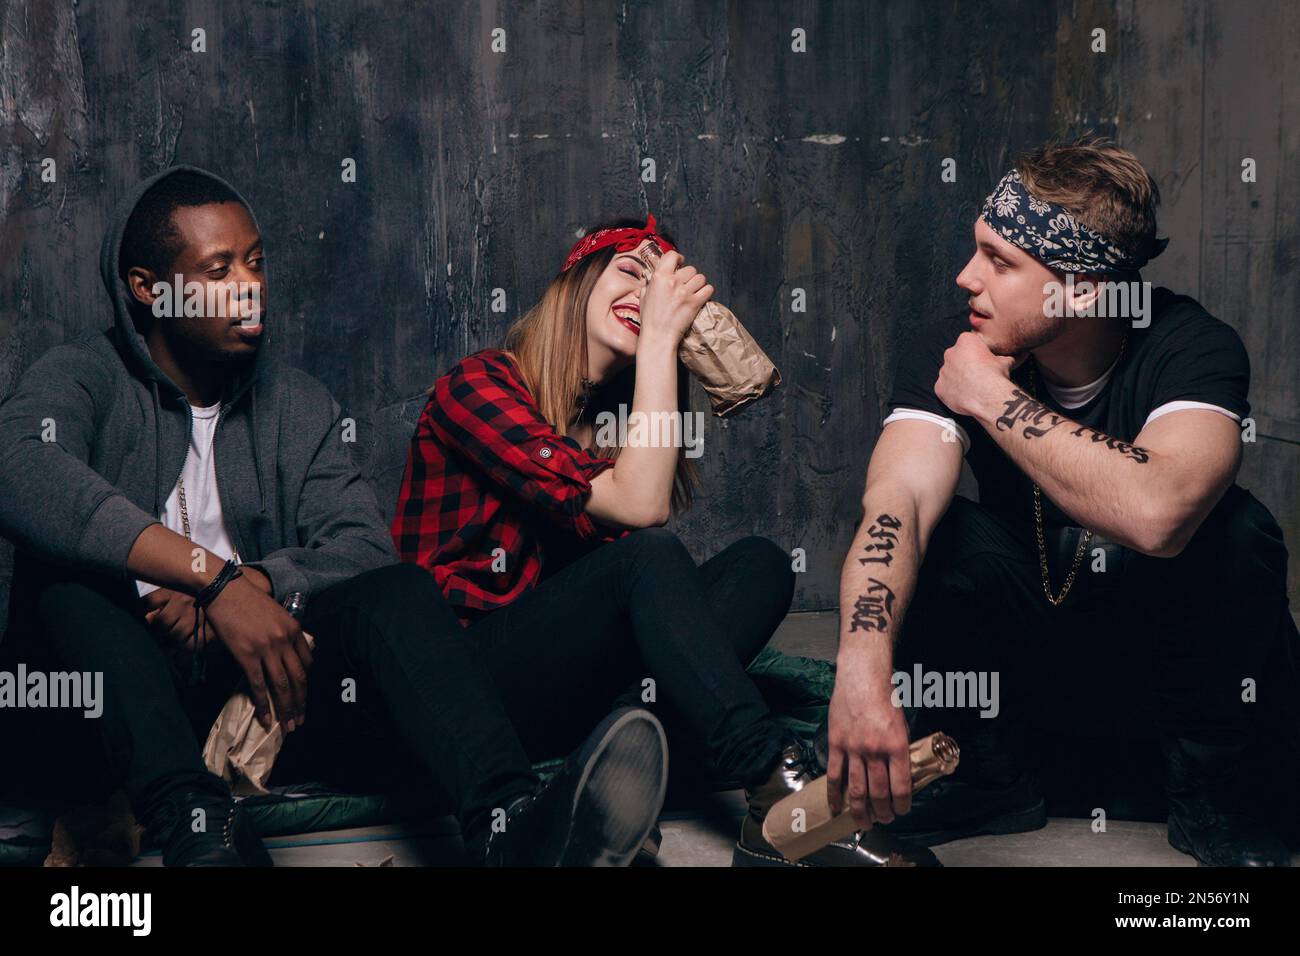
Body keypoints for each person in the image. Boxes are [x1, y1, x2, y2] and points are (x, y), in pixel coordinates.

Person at [0, 167, 669, 867]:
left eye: (256, 263)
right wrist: (209, 580)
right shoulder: (83, 375)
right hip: (104, 712)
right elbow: (18, 470)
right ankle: (197, 830)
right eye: (219, 269)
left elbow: (362, 549)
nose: (250, 287)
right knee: (66, 587)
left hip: (259, 703)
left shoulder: (296, 402)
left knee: (400, 591)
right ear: (147, 288)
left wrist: (255, 585)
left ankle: (513, 825)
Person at [391, 214, 939, 867]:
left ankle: (620, 755)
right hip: (470, 686)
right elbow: (641, 510)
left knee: (760, 567)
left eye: (660, 294)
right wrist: (656, 340)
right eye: (630, 272)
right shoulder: (477, 384)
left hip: (576, 691)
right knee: (647, 559)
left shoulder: (613, 425)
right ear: (576, 281)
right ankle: (775, 787)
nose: (646, 297)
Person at [826, 137, 1298, 866]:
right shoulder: (957, 344)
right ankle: (989, 778)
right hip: (1039, 669)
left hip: (1165, 675)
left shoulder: (1191, 347)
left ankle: (1211, 802)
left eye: (1001, 261)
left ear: (1080, 288)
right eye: (976, 249)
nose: (966, 278)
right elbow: (899, 504)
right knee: (942, 533)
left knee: (1239, 532)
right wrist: (861, 663)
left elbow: (1159, 515)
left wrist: (990, 398)